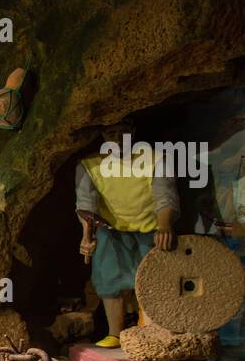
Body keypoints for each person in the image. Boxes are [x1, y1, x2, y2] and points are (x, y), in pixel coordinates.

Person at [76, 121, 179, 347]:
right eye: (111, 133)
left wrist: (164, 225)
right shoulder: (90, 165)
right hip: (111, 232)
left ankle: (150, 332)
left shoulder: (155, 159)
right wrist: (87, 235)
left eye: (123, 132)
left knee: (152, 281)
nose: (117, 138)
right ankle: (115, 333)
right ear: (102, 135)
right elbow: (87, 205)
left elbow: (166, 195)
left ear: (133, 132)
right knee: (108, 279)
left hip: (149, 230)